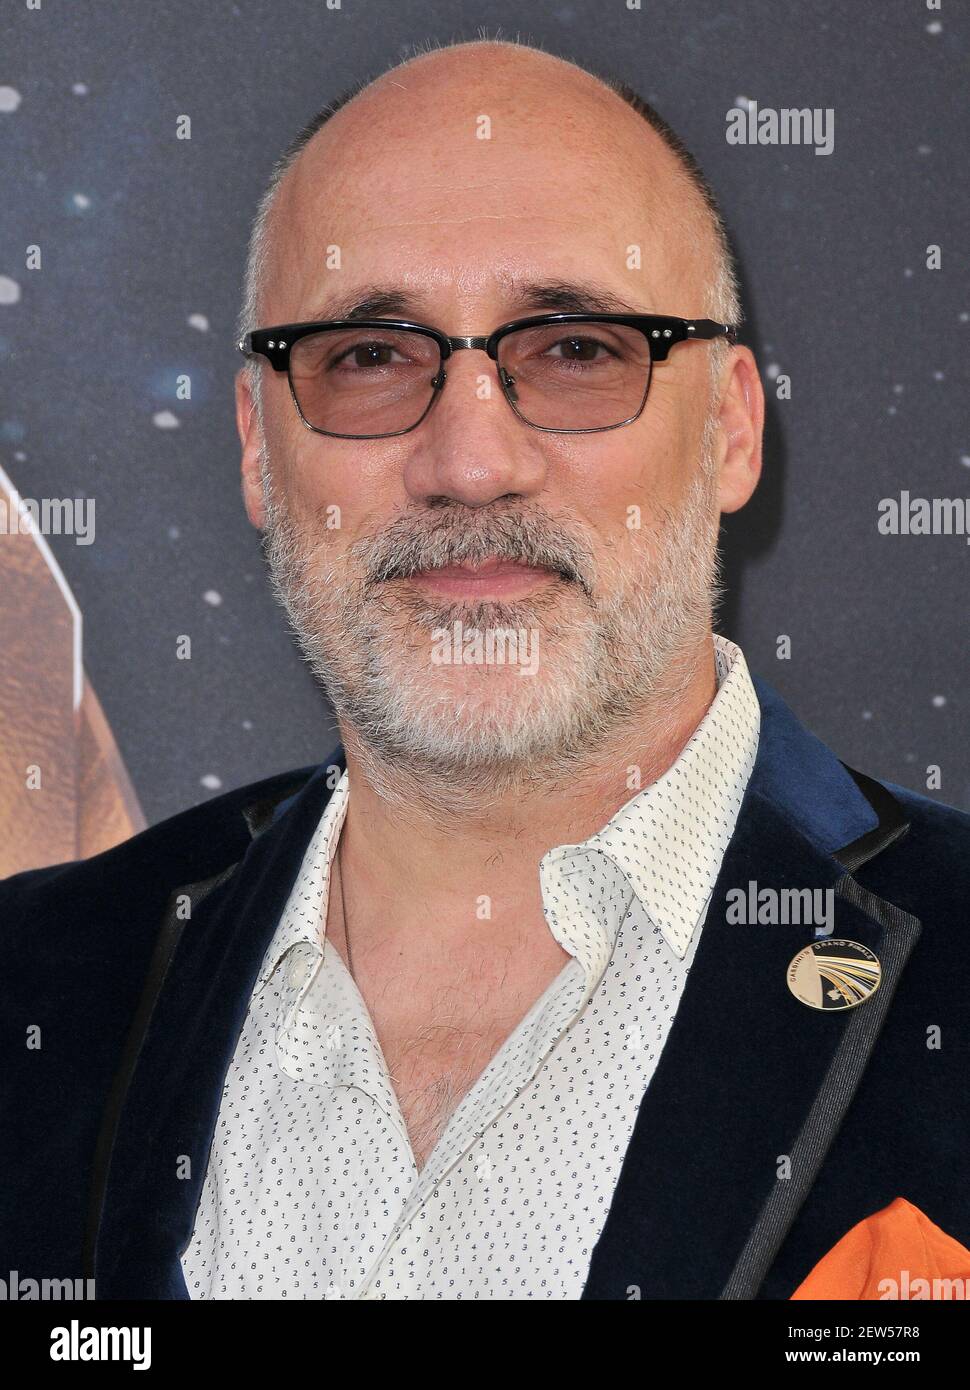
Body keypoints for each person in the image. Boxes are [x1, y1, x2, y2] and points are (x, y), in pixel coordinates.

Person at [2, 37, 968, 1303]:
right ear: (255, 446)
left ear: (731, 428)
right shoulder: (35, 982)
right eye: (367, 357)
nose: (468, 462)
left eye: (575, 351)